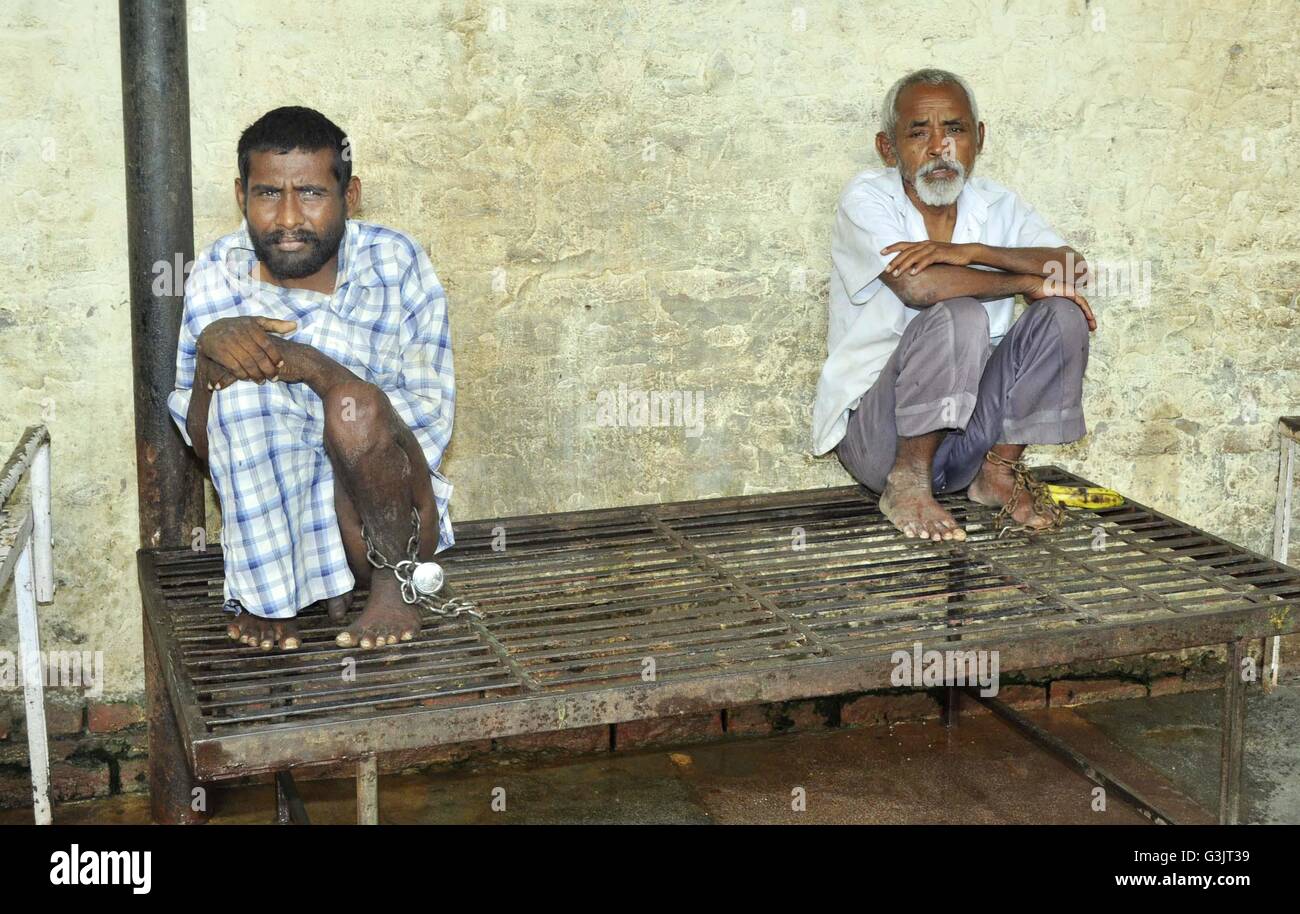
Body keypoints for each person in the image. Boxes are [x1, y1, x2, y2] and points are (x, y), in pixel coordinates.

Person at [168, 106, 456, 651]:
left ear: (349, 197)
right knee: (238, 394)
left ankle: (395, 589)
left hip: (379, 516)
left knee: (353, 407)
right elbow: (206, 444)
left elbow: (429, 426)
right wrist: (209, 362)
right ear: (241, 195)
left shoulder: (395, 262)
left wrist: (308, 366)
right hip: (279, 527)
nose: (288, 218)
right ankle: (271, 597)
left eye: (312, 193)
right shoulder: (218, 270)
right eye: (268, 194)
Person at [811, 68, 1096, 541]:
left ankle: (998, 473)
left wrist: (974, 253)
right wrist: (1025, 279)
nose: (939, 147)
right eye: (919, 132)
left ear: (978, 139)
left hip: (968, 437)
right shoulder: (867, 199)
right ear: (888, 148)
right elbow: (920, 290)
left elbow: (1073, 266)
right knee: (960, 313)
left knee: (1062, 314)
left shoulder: (997, 203)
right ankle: (908, 483)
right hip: (880, 438)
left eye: (955, 130)